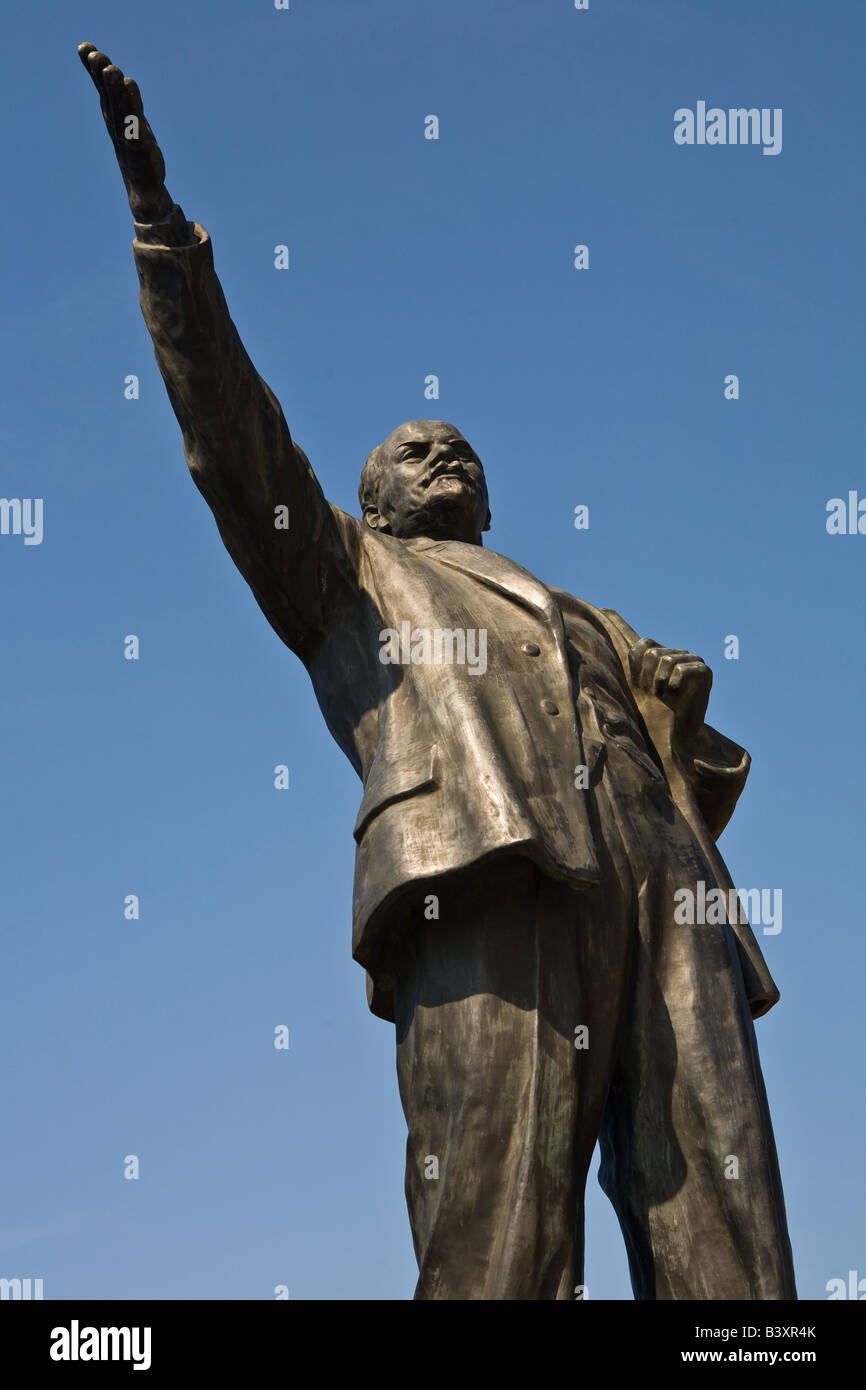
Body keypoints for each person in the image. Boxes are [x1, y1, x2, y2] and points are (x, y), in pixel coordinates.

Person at [78, 43, 797, 1300]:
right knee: (496, 1234)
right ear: (374, 499)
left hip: (664, 887)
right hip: (487, 868)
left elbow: (687, 735)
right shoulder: (345, 572)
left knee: (726, 1226)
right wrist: (162, 231)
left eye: (456, 443)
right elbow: (234, 437)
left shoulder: (567, 601)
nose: (442, 448)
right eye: (415, 449)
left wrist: (662, 690)